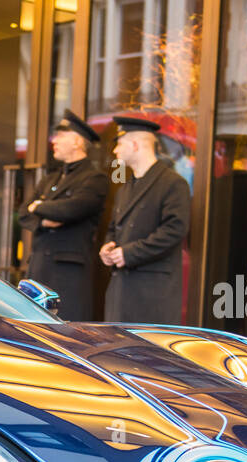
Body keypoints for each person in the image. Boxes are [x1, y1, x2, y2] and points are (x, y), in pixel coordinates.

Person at [18, 109, 109, 322]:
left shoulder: (94, 179)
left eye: (60, 136)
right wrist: (44, 217)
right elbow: (23, 212)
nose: (54, 141)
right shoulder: (50, 178)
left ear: (77, 142)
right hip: (39, 268)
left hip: (67, 274)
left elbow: (71, 210)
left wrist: (38, 207)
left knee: (66, 331)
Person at [99, 115, 191, 325]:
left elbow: (174, 230)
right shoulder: (125, 188)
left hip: (151, 295)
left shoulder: (172, 183)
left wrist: (128, 253)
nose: (115, 151)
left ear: (135, 144)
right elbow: (114, 228)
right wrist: (108, 247)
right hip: (120, 292)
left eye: (119, 144)